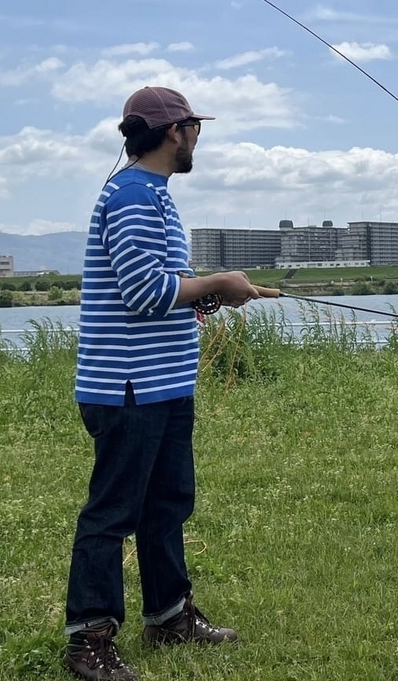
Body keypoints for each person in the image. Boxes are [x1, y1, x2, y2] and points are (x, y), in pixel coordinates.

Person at [63, 86, 260, 681]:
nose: (199, 137)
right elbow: (146, 292)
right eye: (196, 127)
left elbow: (166, 287)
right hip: (127, 386)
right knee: (112, 512)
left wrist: (205, 294)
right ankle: (88, 640)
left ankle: (170, 615)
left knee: (167, 504)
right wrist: (218, 281)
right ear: (175, 131)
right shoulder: (129, 197)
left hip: (166, 381)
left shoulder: (155, 195)